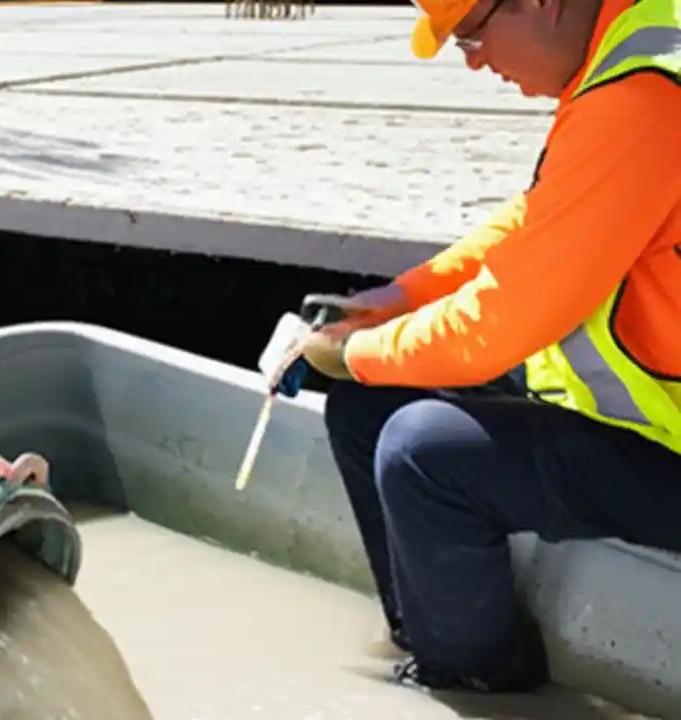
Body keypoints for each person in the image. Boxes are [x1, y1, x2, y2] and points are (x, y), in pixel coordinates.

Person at [275, 0, 681, 695]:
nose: (475, 63)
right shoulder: (630, 52)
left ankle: (476, 685)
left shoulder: (644, 100)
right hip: (647, 421)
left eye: (471, 36)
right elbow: (541, 219)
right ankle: (432, 636)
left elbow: (496, 326)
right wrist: (399, 297)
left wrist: (351, 353)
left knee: (420, 452)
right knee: (366, 411)